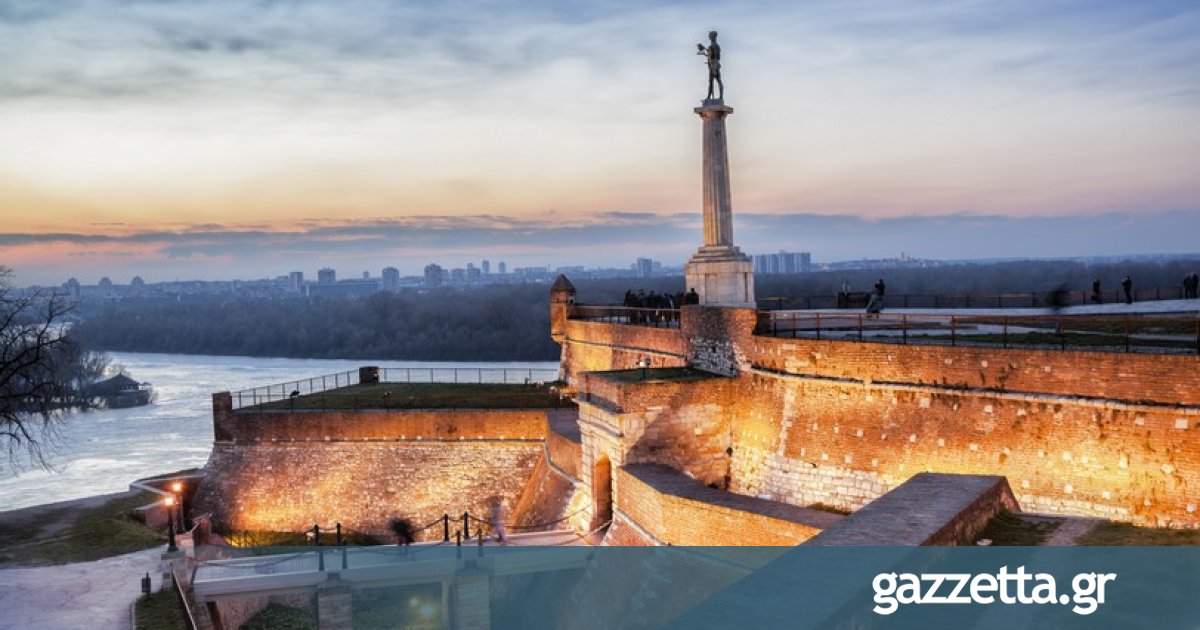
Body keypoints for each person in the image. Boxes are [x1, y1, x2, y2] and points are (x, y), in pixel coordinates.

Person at [696, 31, 724, 100]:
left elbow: (709, 55)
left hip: (713, 65)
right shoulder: (717, 46)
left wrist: (702, 49)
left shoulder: (712, 46)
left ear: (712, 37)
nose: (709, 37)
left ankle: (710, 97)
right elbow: (714, 56)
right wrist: (704, 49)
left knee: (713, 81)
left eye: (710, 36)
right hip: (715, 64)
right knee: (717, 80)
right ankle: (717, 97)